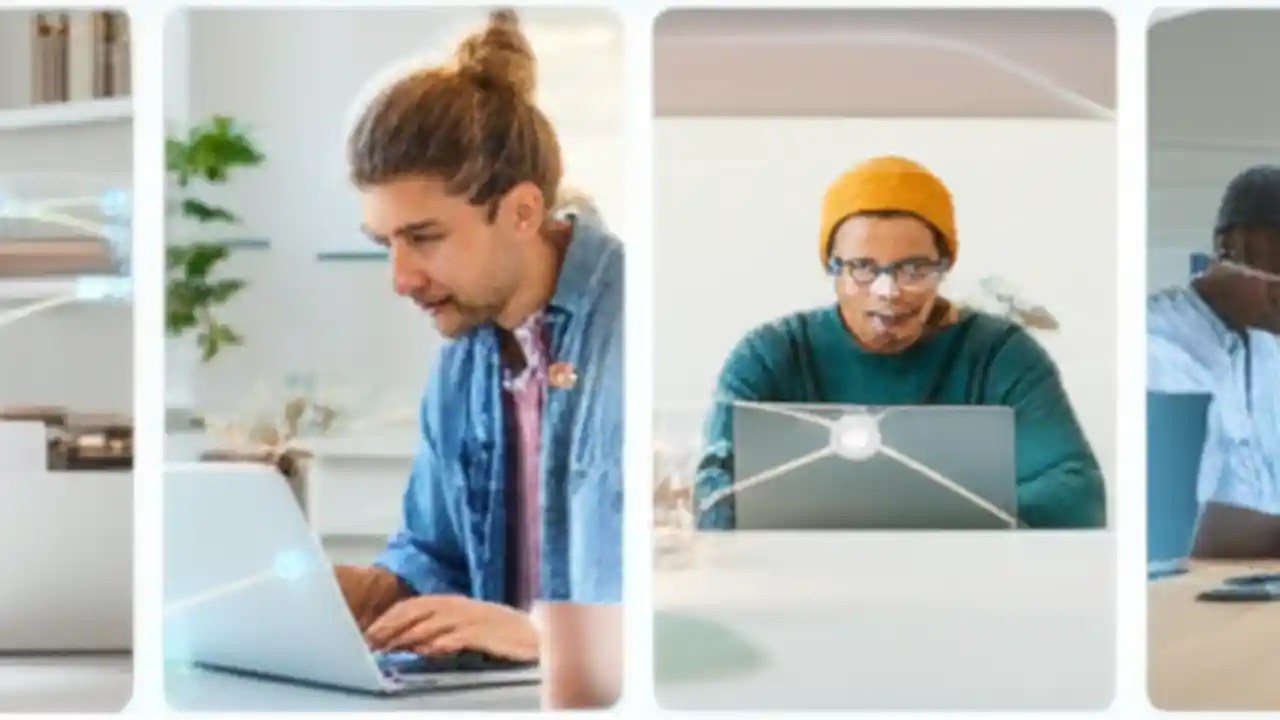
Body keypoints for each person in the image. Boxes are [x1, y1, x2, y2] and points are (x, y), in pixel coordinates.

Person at [333, 9, 623, 666]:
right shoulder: (462, 356)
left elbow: (712, 601)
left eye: (424, 238)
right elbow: (436, 556)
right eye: (385, 244)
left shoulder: (639, 325)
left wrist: (545, 637)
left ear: (522, 211)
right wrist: (371, 594)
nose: (400, 279)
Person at [694, 155, 1106, 530]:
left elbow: (1077, 493)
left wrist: (908, 522)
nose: (888, 291)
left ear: (944, 267)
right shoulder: (770, 355)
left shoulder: (1000, 355)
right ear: (832, 268)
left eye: (914, 269)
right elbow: (714, 494)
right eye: (862, 268)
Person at [1149, 165, 1280, 557]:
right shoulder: (1160, 340)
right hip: (1187, 595)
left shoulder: (1269, 352)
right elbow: (1178, 524)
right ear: (1230, 249)